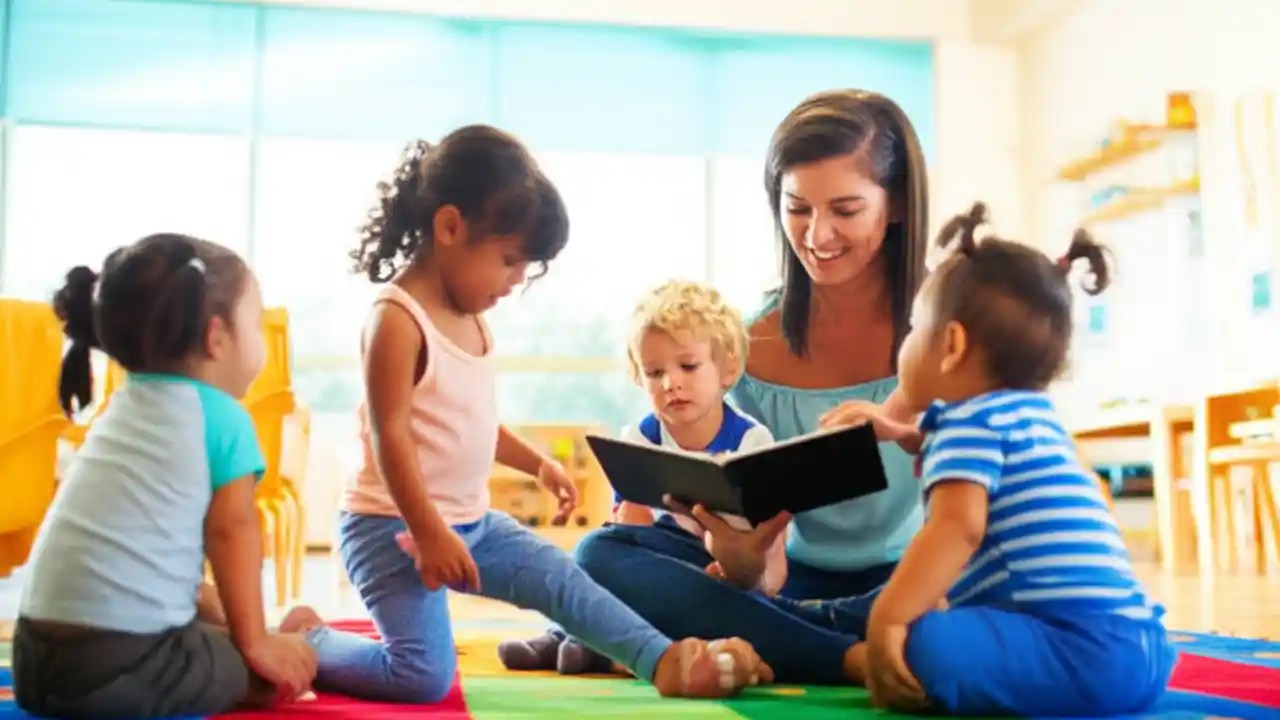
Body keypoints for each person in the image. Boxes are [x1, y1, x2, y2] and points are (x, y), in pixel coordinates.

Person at [303, 127, 772, 704]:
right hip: (391, 528)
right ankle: (309, 639)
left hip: (470, 524)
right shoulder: (396, 321)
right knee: (420, 677)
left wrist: (537, 464)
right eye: (509, 261)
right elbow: (390, 433)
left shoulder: (470, 316)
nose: (516, 279)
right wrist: (427, 531)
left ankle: (664, 660)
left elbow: (466, 422)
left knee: (563, 576)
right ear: (450, 228)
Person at [572, 89, 930, 682]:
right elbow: (741, 531)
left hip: (915, 582)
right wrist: (741, 562)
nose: (818, 236)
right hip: (777, 587)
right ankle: (843, 656)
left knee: (1001, 583)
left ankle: (784, 640)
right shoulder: (742, 346)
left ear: (894, 206)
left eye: (845, 210)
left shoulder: (946, 331)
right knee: (598, 556)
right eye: (798, 209)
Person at [778, 202, 1174, 716]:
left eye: (913, 330)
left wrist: (890, 620)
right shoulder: (1031, 417)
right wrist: (903, 432)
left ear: (951, 345)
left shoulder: (968, 424)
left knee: (926, 637)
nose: (905, 345)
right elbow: (982, 474)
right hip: (1143, 649)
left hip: (1079, 656)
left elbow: (958, 527)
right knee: (942, 610)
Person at [13, 234, 319, 719]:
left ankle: (271, 635)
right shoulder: (221, 417)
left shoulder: (124, 409)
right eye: (256, 324)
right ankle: (290, 642)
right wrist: (257, 640)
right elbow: (231, 531)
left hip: (34, 663)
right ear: (217, 337)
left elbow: (156, 572)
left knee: (208, 626)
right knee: (263, 672)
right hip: (117, 676)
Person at [498, 279, 788, 674]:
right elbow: (628, 532)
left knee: (686, 601)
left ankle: (594, 644)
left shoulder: (752, 441)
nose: (671, 383)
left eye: (688, 366)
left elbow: (771, 561)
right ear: (639, 377)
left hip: (717, 570)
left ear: (728, 368)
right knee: (597, 555)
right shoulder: (641, 438)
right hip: (653, 558)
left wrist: (749, 578)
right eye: (655, 372)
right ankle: (563, 634)